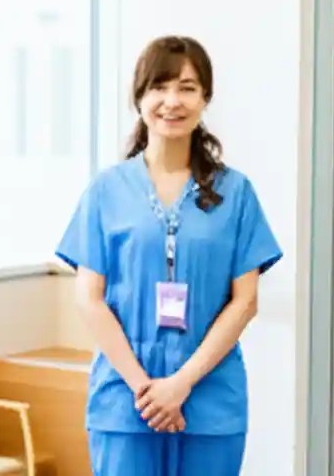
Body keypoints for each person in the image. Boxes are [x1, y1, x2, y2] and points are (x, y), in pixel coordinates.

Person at [55, 35, 283, 475]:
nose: (172, 101)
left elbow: (245, 301)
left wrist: (180, 384)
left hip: (210, 397)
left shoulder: (236, 194)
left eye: (187, 87)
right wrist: (146, 389)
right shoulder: (106, 191)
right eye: (159, 87)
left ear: (205, 98)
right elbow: (89, 298)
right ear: (139, 97)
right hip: (125, 399)